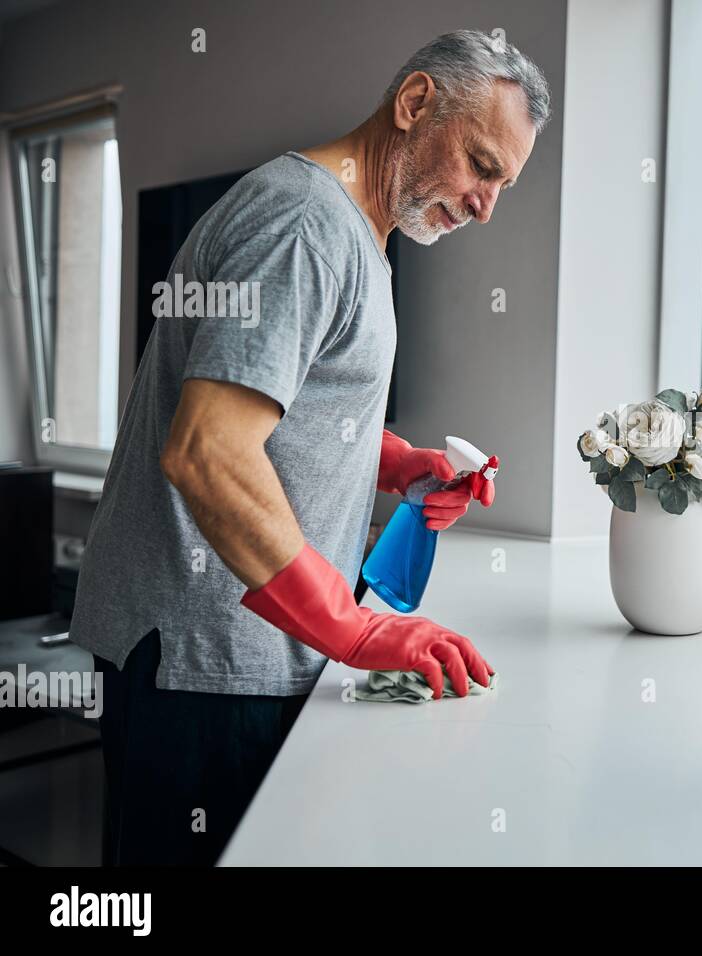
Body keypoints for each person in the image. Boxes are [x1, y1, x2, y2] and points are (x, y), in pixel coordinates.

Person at [68, 29, 551, 866]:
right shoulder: (304, 226)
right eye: (480, 165)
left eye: (502, 184)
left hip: (241, 657)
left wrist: (400, 464)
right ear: (414, 104)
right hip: (201, 667)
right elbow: (208, 453)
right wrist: (356, 631)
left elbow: (286, 407)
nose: (485, 205)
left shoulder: (356, 228)